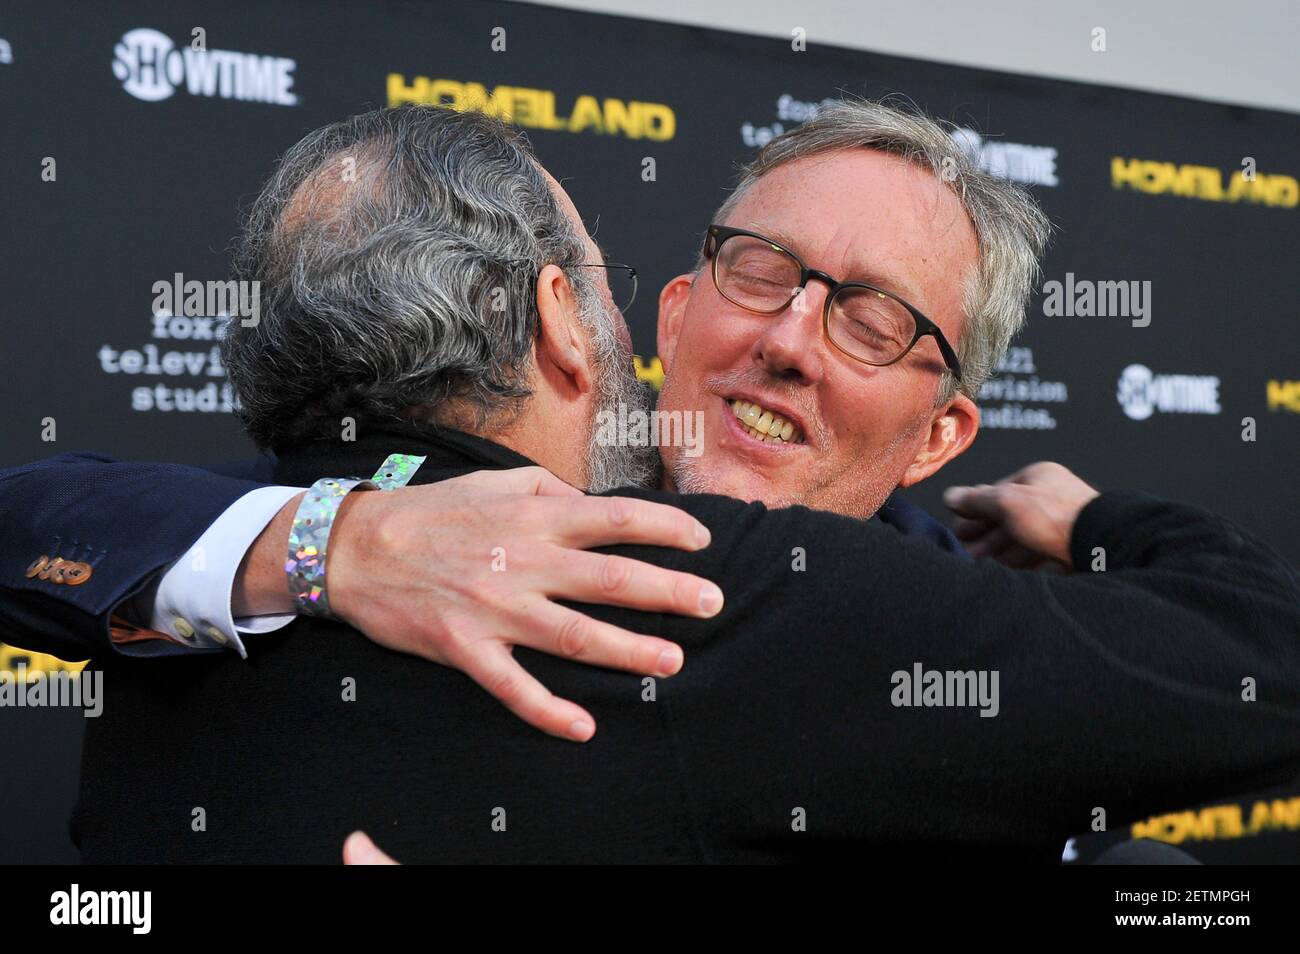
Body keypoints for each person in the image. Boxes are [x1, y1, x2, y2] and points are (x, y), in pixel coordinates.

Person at [69, 103, 1300, 864]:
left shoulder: (211, 584)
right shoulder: (284, 543)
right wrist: (330, 539)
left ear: (940, 436)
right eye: (763, 270)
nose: (790, 338)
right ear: (653, 313)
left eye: (872, 319)